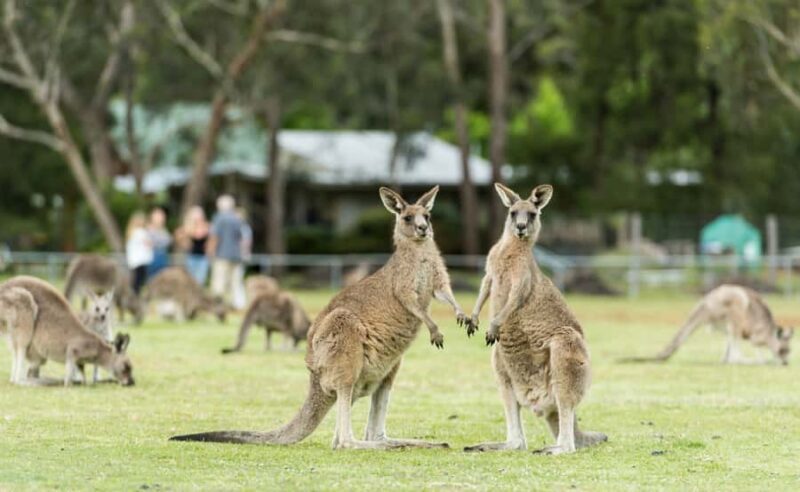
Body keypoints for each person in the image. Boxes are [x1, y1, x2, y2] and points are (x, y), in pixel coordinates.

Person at [209, 195, 246, 310]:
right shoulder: (236, 218)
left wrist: (211, 251)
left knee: (219, 281)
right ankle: (239, 304)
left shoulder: (219, 218)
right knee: (236, 282)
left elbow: (215, 236)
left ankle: (218, 305)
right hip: (236, 255)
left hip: (222, 255)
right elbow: (241, 238)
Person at [176, 206, 211, 286]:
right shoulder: (188, 228)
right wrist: (185, 242)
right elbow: (178, 235)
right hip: (191, 257)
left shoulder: (206, 226)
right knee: (191, 279)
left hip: (203, 258)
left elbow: (210, 239)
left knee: (200, 279)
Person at [125, 211, 153, 295]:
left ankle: (133, 294)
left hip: (134, 261)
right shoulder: (140, 232)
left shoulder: (131, 232)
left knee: (136, 280)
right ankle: (135, 295)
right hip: (141, 261)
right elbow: (149, 243)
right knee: (139, 280)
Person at [147, 207, 172, 277]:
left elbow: (168, 241)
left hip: (163, 257)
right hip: (152, 258)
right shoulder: (149, 229)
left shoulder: (164, 230)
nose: (160, 218)